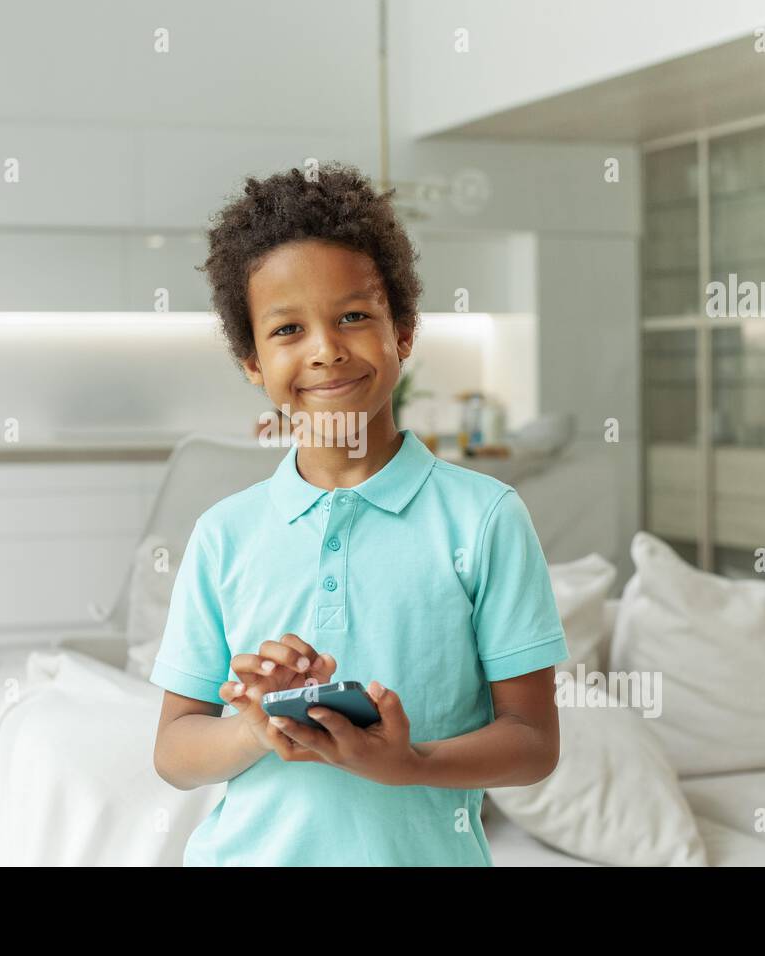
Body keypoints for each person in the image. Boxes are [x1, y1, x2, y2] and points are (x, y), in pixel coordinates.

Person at [149, 162, 569, 865]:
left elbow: (533, 743)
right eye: (287, 330)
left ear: (401, 330)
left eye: (353, 316)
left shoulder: (486, 518)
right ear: (252, 360)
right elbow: (173, 750)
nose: (326, 350)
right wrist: (254, 727)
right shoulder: (224, 534)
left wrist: (413, 765)